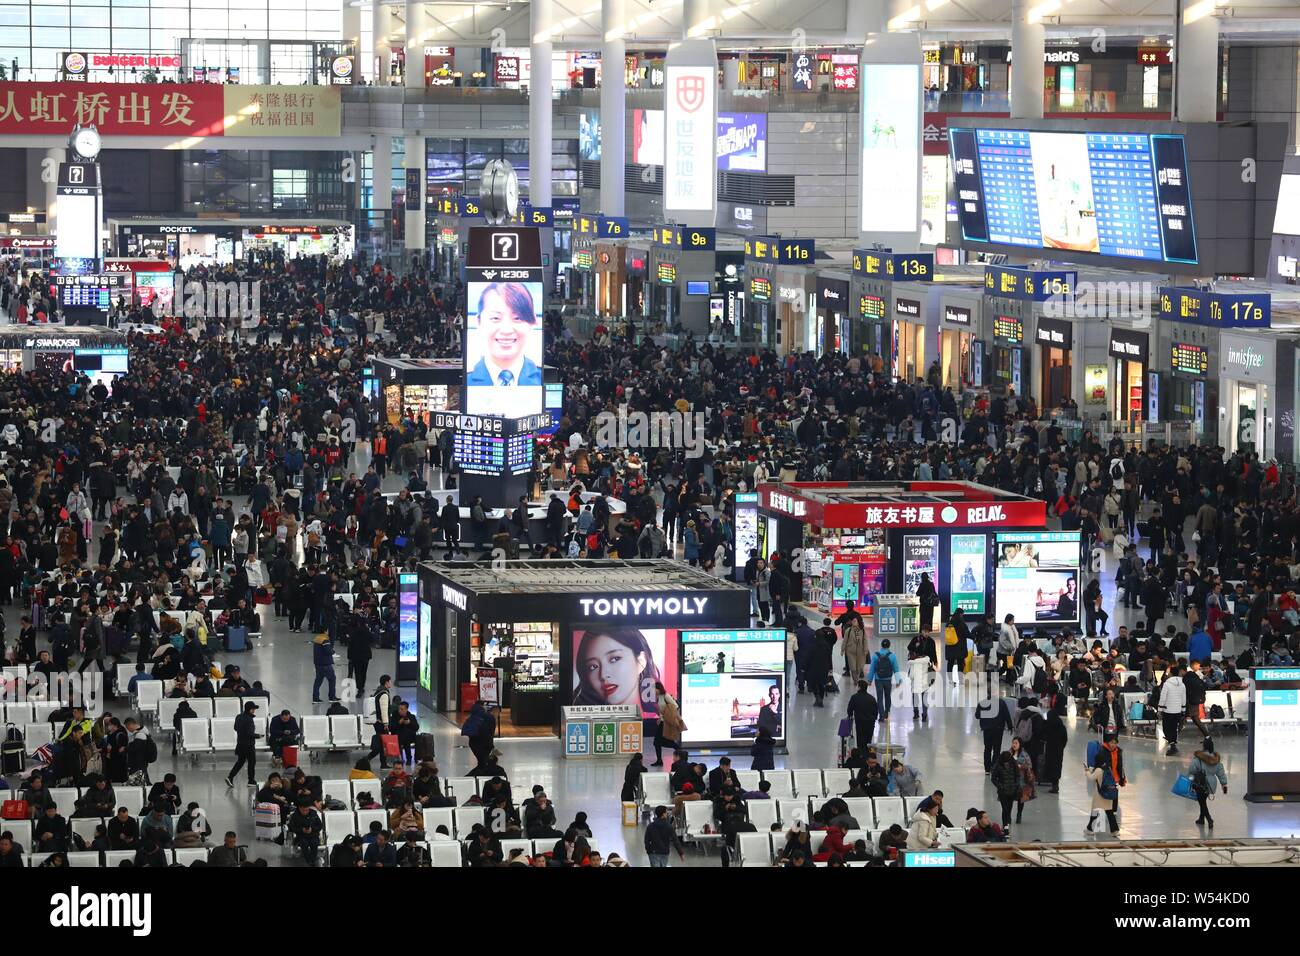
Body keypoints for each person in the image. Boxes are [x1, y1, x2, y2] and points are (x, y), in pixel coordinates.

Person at [571, 627, 659, 712]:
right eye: (593, 666)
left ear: (641, 661)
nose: (603, 675)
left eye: (615, 659)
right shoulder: (585, 721)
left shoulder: (665, 720)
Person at [1086, 734, 1126, 835]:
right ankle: (1114, 830)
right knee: (1109, 809)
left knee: (1096, 809)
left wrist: (1087, 771)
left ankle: (1090, 828)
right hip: (1108, 783)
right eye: (1111, 742)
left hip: (1103, 788)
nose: (1113, 744)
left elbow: (1120, 766)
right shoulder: (1103, 752)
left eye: (1115, 742)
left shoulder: (1100, 769)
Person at [1188, 737, 1229, 828]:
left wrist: (1190, 781)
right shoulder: (1216, 759)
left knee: (1202, 803)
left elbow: (1192, 770)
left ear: (1204, 746)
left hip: (1200, 783)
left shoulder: (1198, 758)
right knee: (1203, 800)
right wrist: (1224, 784)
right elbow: (1221, 772)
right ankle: (1201, 819)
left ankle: (1209, 819)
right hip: (1211, 784)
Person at [225, 701, 260, 788]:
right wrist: (258, 736)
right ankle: (251, 780)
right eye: (253, 709)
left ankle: (230, 777)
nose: (254, 711)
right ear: (250, 709)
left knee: (240, 761)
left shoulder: (239, 716)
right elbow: (249, 734)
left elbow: (235, 728)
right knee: (252, 762)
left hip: (240, 743)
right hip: (248, 745)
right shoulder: (249, 719)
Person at [976, 690, 1013, 773]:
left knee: (987, 749)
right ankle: (994, 767)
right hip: (998, 730)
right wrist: (1010, 726)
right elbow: (1006, 715)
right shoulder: (1002, 703)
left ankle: (987, 769)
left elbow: (977, 715)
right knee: (996, 749)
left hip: (987, 729)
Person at [652, 681, 685, 766]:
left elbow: (676, 706)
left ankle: (680, 751)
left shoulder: (666, 696)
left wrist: (670, 717)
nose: (653, 691)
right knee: (657, 742)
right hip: (662, 722)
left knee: (662, 741)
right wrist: (660, 717)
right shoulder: (659, 697)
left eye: (654, 689)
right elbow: (662, 709)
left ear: (658, 688)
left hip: (666, 722)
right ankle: (660, 760)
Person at [990, 749, 1021, 835]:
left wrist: (1016, 784)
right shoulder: (998, 765)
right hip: (1003, 792)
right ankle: (1005, 826)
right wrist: (1000, 786)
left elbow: (1017, 775)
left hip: (1012, 790)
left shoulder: (1013, 764)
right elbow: (993, 778)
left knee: (1009, 808)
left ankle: (1007, 822)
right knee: (1005, 809)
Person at [1159, 663, 1187, 756]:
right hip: (1177, 710)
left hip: (1168, 710)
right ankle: (1173, 742)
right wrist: (1183, 709)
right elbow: (1184, 697)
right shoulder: (1182, 684)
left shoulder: (1167, 684)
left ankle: (1172, 745)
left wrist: (1160, 709)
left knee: (1167, 728)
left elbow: (1163, 697)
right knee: (1174, 728)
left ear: (1171, 673)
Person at [867, 640, 899, 721]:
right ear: (889, 646)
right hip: (888, 680)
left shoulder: (875, 655)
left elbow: (872, 669)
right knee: (888, 697)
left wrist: (869, 680)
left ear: (881, 645)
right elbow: (896, 669)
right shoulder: (892, 656)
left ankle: (881, 716)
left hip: (878, 680)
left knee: (879, 698)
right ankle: (887, 713)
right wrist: (898, 680)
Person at [1041, 705, 1069, 794]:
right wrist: (1062, 746)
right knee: (1057, 766)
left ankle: (1053, 784)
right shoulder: (1061, 726)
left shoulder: (1048, 725)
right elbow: (1065, 738)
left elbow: (1043, 736)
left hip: (1050, 749)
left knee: (1050, 765)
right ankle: (1055, 783)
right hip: (1059, 750)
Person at [846, 680, 879, 749]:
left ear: (859, 687)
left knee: (860, 741)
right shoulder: (872, 698)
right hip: (870, 722)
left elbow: (850, 709)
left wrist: (850, 716)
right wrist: (874, 719)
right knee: (868, 741)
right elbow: (876, 711)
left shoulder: (854, 697)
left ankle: (861, 755)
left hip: (860, 722)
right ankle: (867, 755)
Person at [907, 643, 934, 722]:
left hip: (915, 684)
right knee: (924, 699)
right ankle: (924, 715)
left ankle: (916, 714)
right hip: (925, 682)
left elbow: (911, 675)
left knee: (915, 698)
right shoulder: (926, 660)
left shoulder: (913, 662)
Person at [311, 632, 340, 703]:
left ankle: (315, 698)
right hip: (325, 663)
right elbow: (328, 651)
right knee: (332, 679)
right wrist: (333, 651)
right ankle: (332, 697)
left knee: (318, 680)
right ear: (325, 630)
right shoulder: (325, 640)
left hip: (318, 663)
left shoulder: (317, 638)